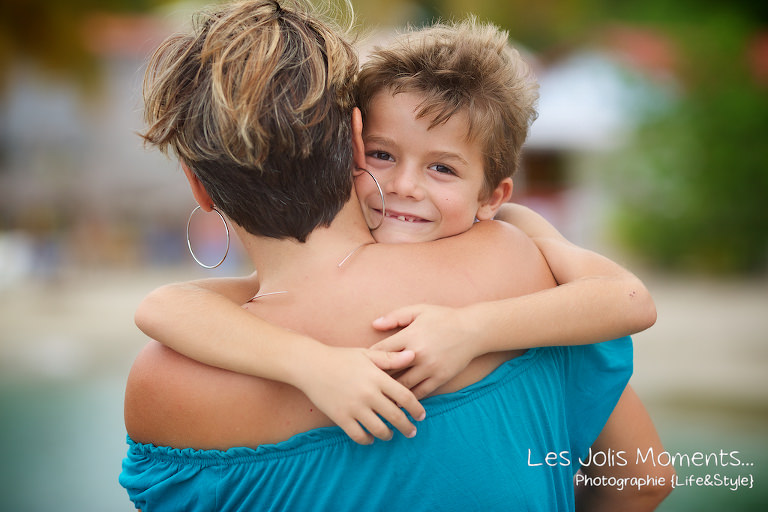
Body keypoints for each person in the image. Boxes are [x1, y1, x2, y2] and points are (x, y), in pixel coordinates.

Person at [120, 1, 672, 510]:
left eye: (442, 168)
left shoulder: (165, 383)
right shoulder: (524, 264)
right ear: (358, 141)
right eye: (387, 154)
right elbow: (646, 476)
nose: (409, 185)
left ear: (200, 186)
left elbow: (172, 306)